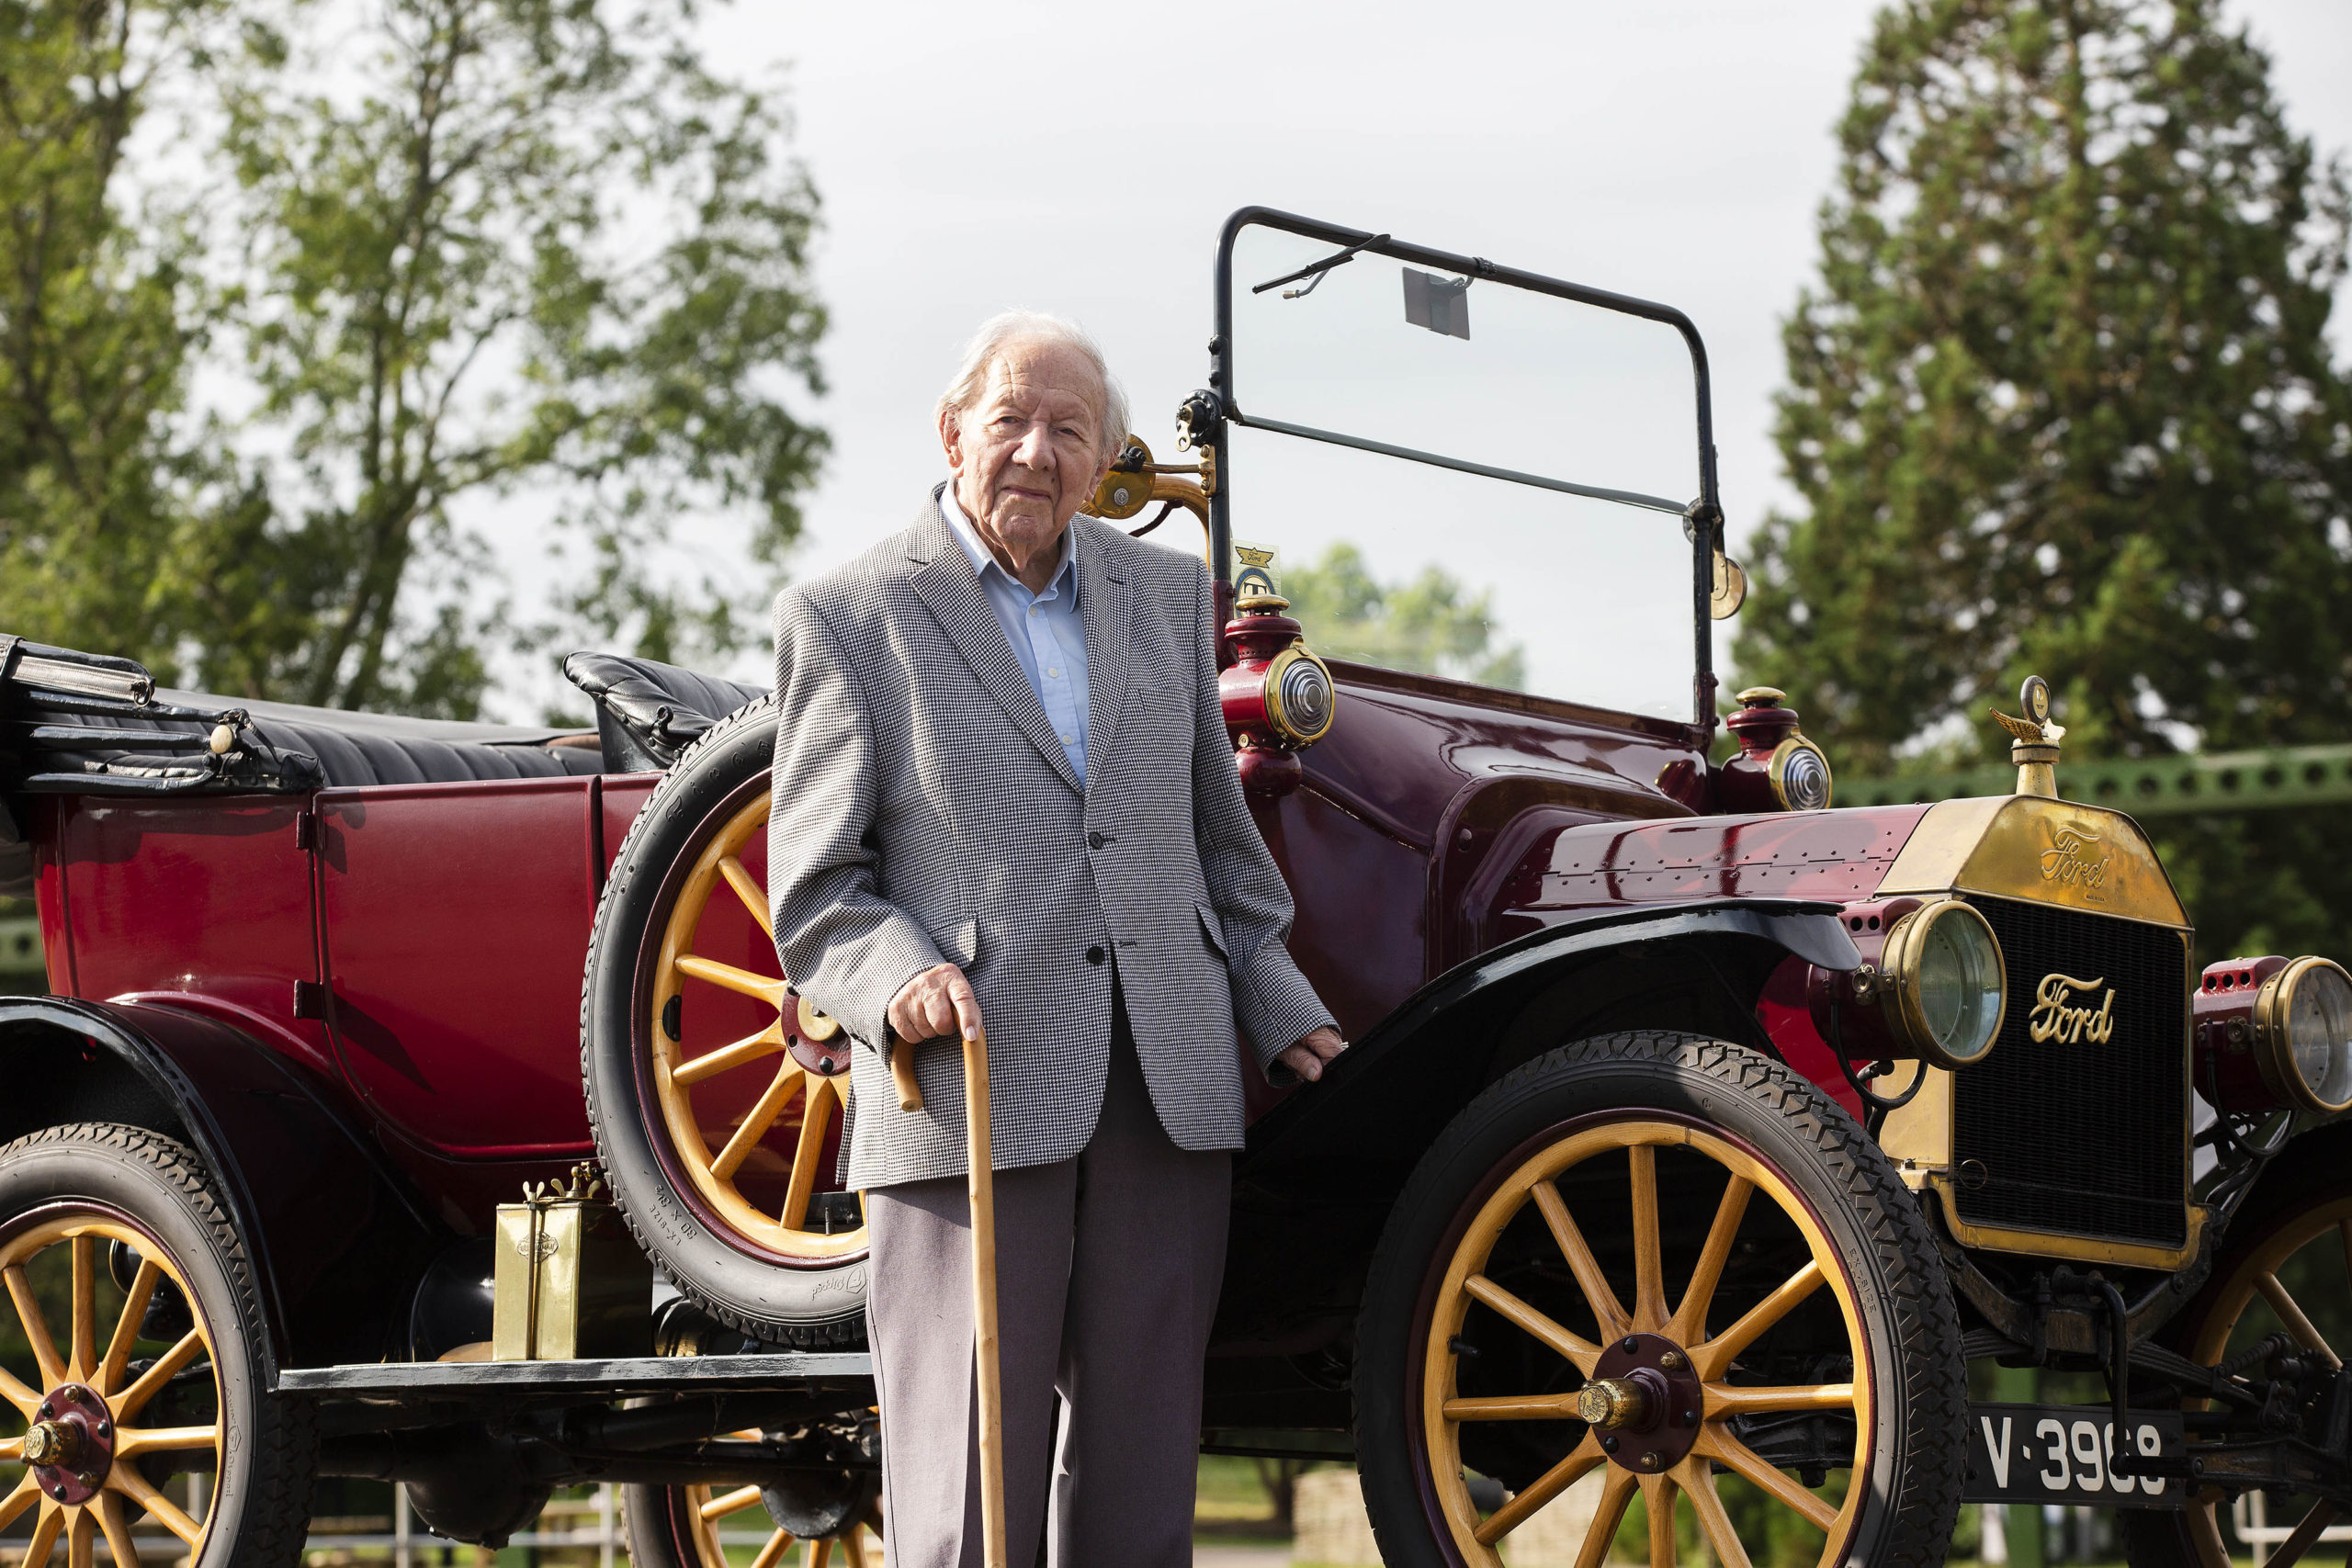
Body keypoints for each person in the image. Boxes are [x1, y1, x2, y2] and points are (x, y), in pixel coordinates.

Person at [766, 310, 1345, 1567]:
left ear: (1104, 461)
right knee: (969, 1476)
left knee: (1142, 1471)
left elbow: (1221, 848)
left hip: (1167, 1076)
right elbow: (817, 893)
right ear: (953, 431)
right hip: (968, 1083)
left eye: (1069, 430)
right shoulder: (849, 615)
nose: (1036, 450)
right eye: (1012, 420)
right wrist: (900, 973)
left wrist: (1282, 1004)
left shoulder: (1164, 593)